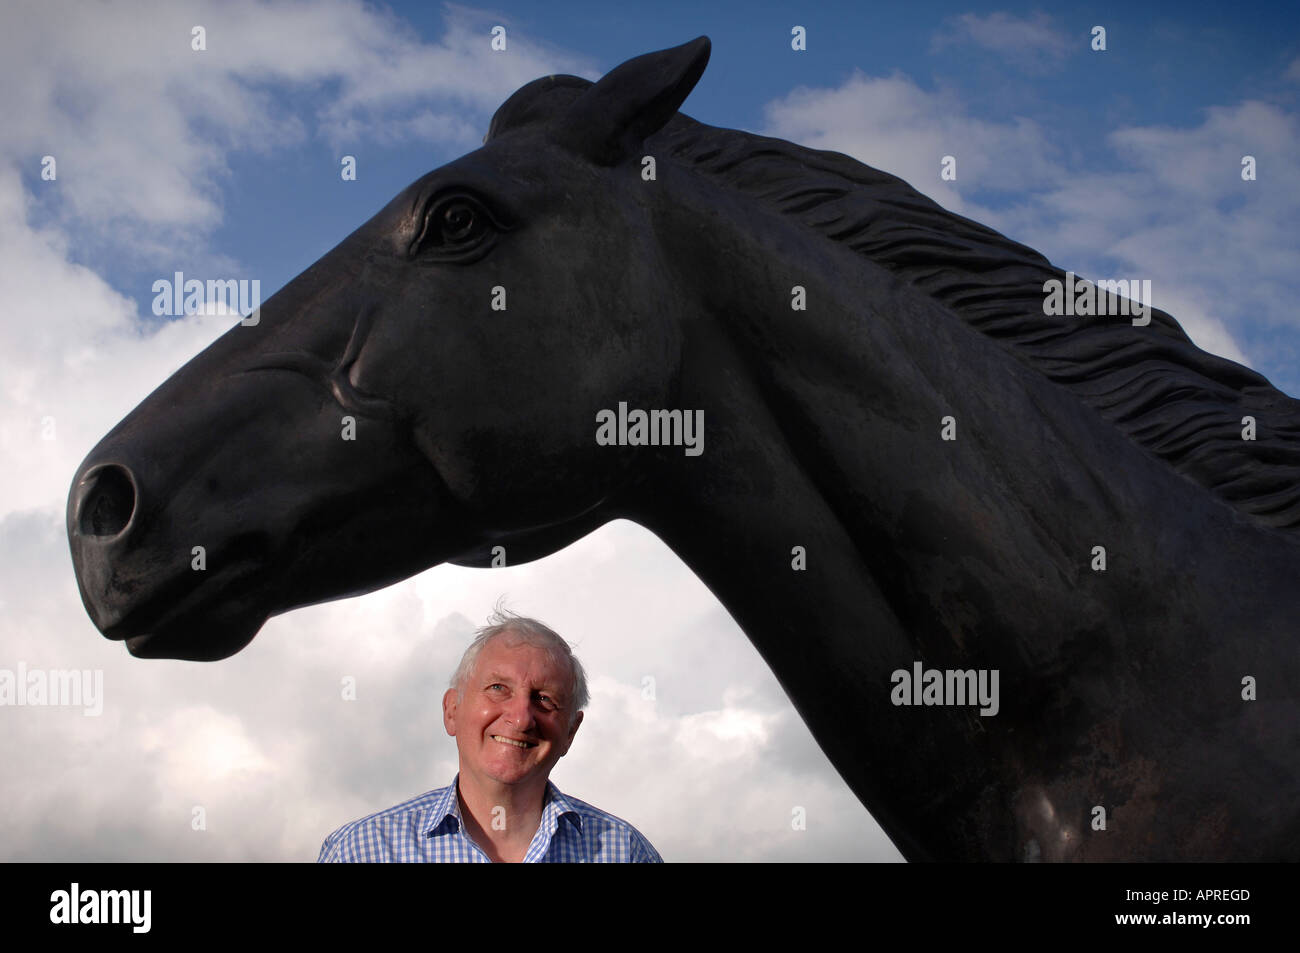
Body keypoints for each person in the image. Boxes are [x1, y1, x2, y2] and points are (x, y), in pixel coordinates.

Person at [318, 609, 662, 862]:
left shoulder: (624, 852)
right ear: (452, 709)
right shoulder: (364, 850)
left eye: (545, 699)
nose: (521, 717)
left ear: (570, 732)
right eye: (498, 688)